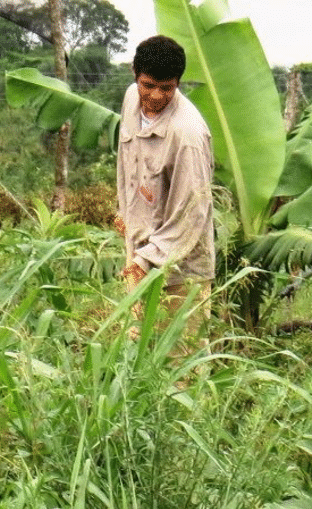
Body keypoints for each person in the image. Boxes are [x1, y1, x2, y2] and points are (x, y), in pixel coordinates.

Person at [117, 35, 215, 334]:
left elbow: (191, 215)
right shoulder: (132, 98)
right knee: (136, 353)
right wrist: (124, 210)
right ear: (135, 75)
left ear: (178, 84)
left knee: (179, 366)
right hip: (140, 252)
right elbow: (127, 159)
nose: (156, 96)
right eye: (148, 85)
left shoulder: (188, 136)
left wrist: (146, 260)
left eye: (167, 88)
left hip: (180, 271)